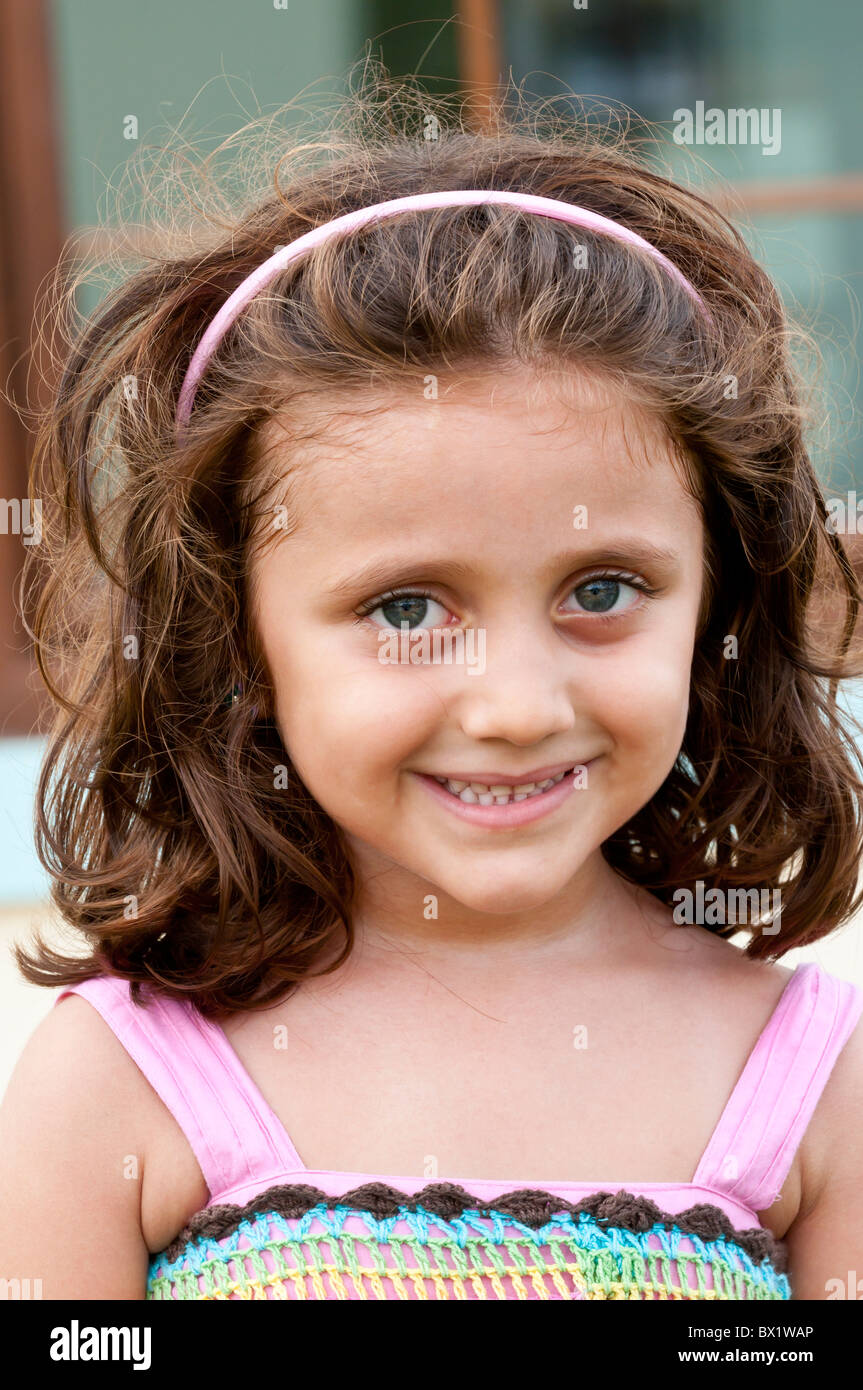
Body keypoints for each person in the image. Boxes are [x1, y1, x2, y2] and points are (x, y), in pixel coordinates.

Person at [2, 80, 862, 1301]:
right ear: (239, 640)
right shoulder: (123, 1081)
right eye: (405, 609)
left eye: (603, 590)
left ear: (715, 603)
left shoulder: (807, 1078)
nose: (515, 703)